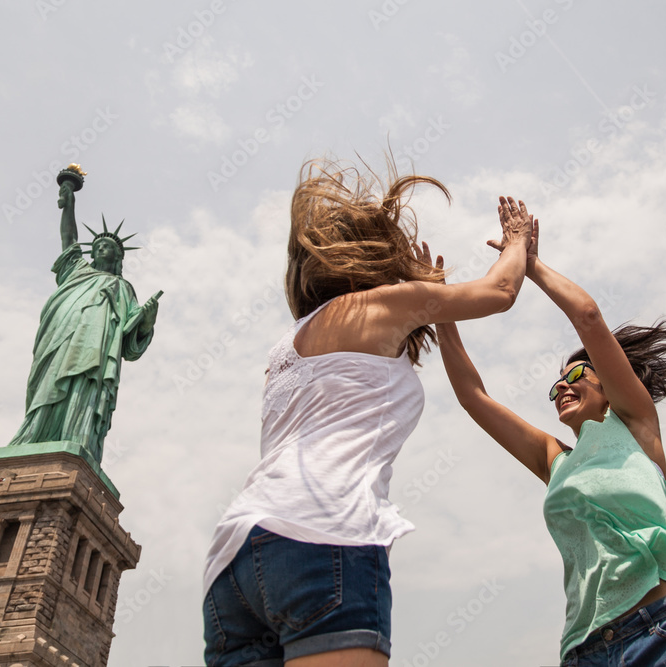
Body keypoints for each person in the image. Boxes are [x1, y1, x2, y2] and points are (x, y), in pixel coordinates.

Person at [202, 159, 535, 667]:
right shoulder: (381, 304)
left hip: (234, 559)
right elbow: (500, 291)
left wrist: (436, 305)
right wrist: (517, 242)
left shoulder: (287, 347)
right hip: (322, 532)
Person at [430, 217, 666, 665]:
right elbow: (472, 396)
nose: (562, 386)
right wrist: (439, 307)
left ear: (608, 388)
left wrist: (530, 264)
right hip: (585, 650)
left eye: (576, 374)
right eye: (556, 384)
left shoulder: (635, 425)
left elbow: (588, 317)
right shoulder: (554, 460)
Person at [7, 170, 161, 466]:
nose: (102, 248)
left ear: (118, 257)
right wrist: (69, 203)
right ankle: (33, 436)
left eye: (109, 247)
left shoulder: (123, 287)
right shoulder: (76, 269)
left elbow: (130, 343)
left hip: (95, 351)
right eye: (99, 245)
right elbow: (69, 238)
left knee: (84, 387)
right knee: (47, 383)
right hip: (60, 336)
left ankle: (76, 439)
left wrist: (146, 322)